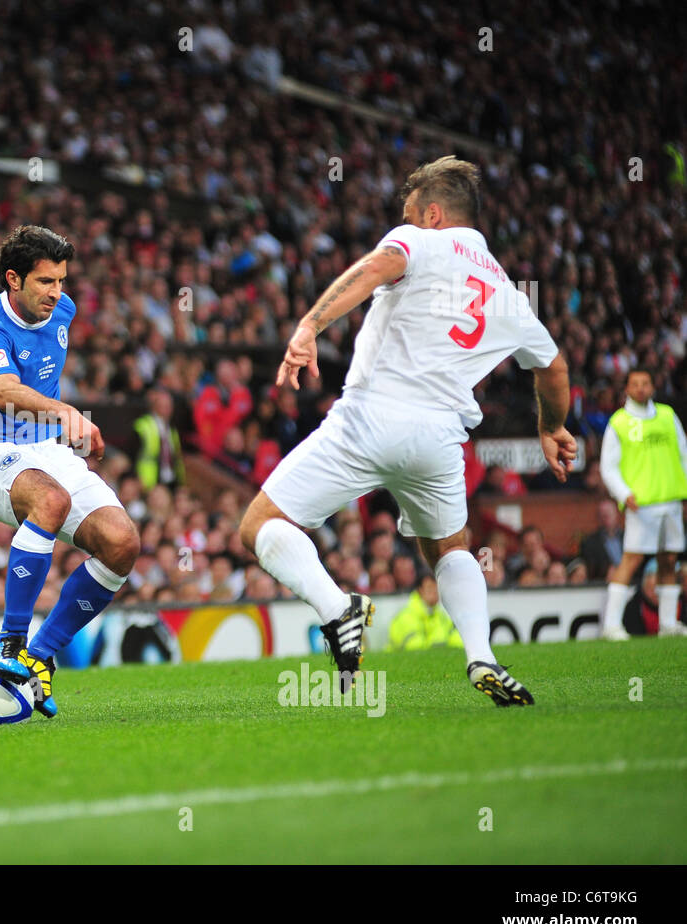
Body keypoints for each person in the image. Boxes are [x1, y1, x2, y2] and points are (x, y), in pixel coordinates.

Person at [238, 156, 575, 706]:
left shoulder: (419, 241)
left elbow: (375, 267)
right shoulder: (509, 293)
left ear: (434, 213)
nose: (408, 221)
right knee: (447, 548)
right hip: (441, 440)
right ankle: (481, 656)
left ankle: (337, 609)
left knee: (259, 526)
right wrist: (553, 426)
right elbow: (554, 368)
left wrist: (309, 325)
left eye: (413, 213)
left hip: (372, 418)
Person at [0, 225, 140, 717]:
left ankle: (39, 655)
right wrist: (66, 412)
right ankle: (9, 643)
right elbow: (5, 392)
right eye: (45, 282)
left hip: (47, 448)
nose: (58, 292)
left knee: (122, 543)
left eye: (61, 280)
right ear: (13, 279)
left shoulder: (64, 312)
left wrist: (59, 423)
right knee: (50, 501)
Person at [596, 368, 687, 639]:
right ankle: (611, 625)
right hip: (641, 503)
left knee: (669, 560)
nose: (641, 388)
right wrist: (623, 494)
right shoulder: (620, 422)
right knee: (632, 559)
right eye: (635, 384)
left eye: (645, 383)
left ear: (652, 386)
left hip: (670, 499)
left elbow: (684, 455)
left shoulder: (667, 416)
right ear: (626, 389)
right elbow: (607, 466)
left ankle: (668, 624)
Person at [387, 572, 463, 651]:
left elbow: (457, 638)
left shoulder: (440, 615)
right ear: (420, 591)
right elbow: (414, 647)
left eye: (436, 588)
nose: (435, 592)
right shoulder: (406, 617)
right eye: (430, 588)